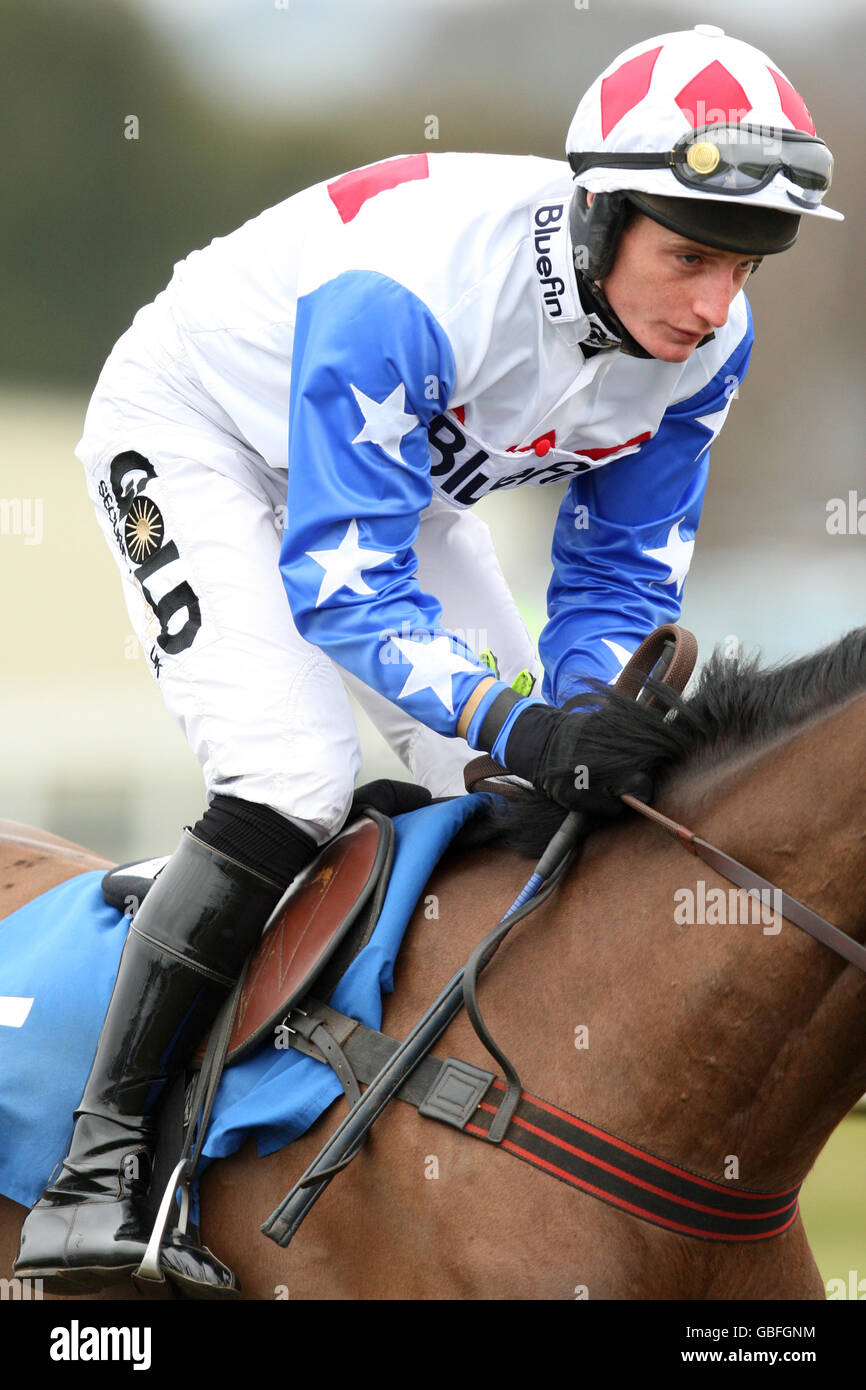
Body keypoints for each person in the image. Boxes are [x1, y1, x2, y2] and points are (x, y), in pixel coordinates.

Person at [15, 25, 841, 1295]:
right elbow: (342, 585)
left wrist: (578, 722)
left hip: (409, 495)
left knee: (517, 796)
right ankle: (101, 1165)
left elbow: (615, 576)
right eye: (686, 259)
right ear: (597, 217)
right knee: (290, 772)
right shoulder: (410, 287)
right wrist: (525, 723)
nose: (710, 308)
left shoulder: (701, 353)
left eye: (740, 271)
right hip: (196, 443)